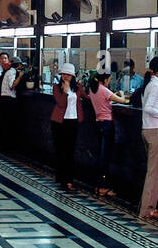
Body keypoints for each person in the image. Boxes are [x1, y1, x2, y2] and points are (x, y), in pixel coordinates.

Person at [139, 57, 158, 221]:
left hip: (149, 129)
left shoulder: (150, 86)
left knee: (156, 170)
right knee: (154, 172)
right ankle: (146, 209)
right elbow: (149, 108)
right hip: (155, 131)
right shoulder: (154, 87)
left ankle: (149, 206)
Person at [50, 63, 81, 191]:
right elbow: (61, 103)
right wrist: (65, 90)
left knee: (70, 151)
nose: (65, 76)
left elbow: (86, 97)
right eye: (63, 74)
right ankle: (63, 179)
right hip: (59, 123)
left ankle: (69, 180)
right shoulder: (57, 88)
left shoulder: (77, 87)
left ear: (72, 76)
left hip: (72, 122)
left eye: (68, 74)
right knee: (60, 151)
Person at [87, 70, 117, 197]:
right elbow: (122, 100)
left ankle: (98, 185)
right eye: (109, 79)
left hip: (98, 124)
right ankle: (103, 187)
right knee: (105, 157)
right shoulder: (103, 90)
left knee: (100, 155)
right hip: (107, 125)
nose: (109, 82)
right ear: (104, 79)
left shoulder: (93, 89)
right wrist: (120, 94)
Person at [0, 55, 24, 149]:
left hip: (4, 99)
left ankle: (2, 144)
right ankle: (5, 145)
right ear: (18, 65)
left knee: (3, 123)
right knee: (6, 123)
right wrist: (19, 77)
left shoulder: (8, 71)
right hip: (7, 100)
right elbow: (12, 85)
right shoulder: (12, 72)